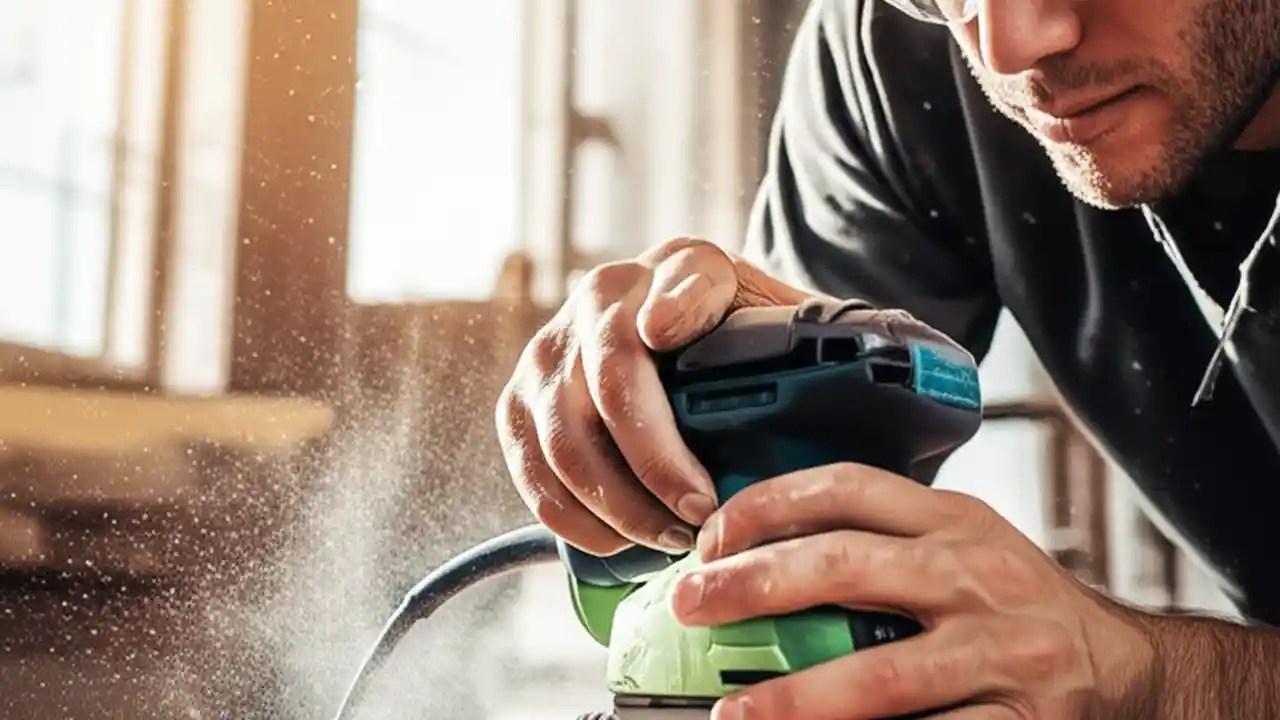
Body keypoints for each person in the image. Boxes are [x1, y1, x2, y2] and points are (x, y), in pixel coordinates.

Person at [495, 0, 1280, 716]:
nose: (1009, 48)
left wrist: (1160, 682)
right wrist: (672, 396)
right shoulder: (901, 52)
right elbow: (785, 504)